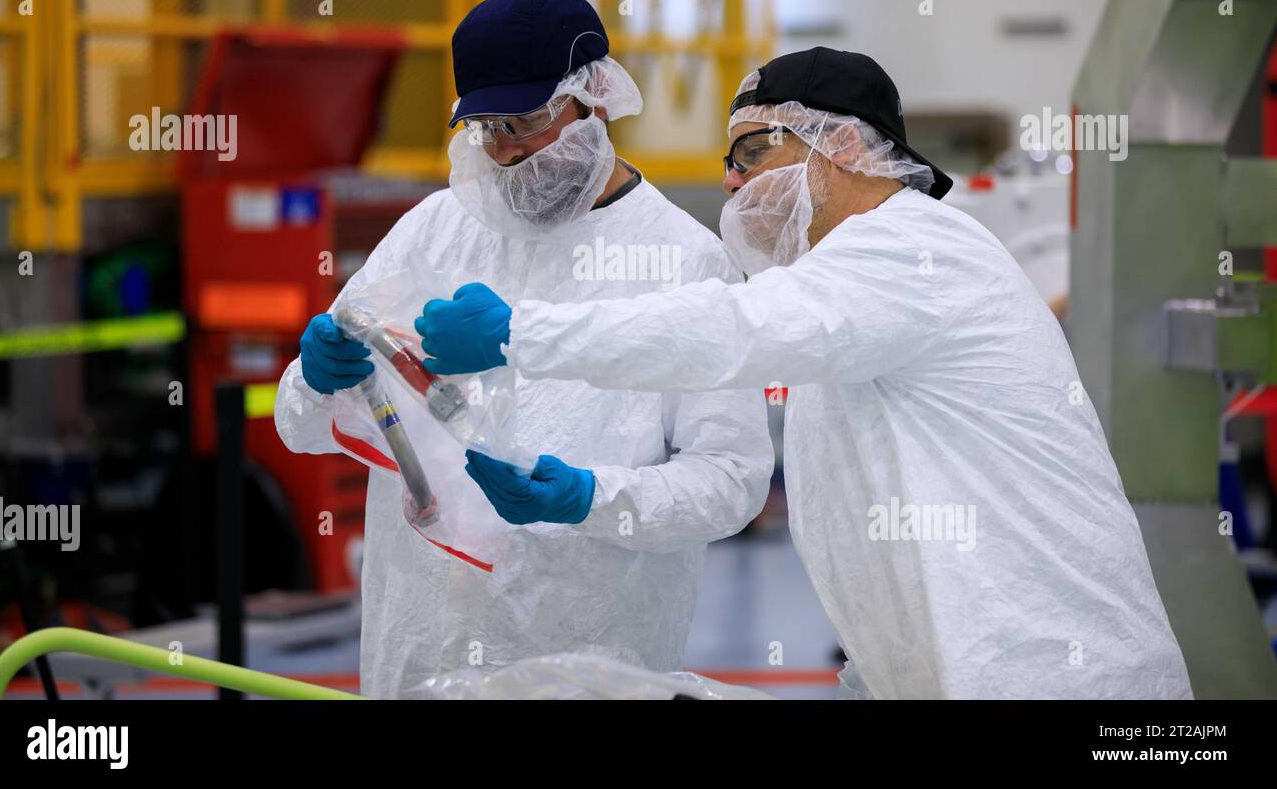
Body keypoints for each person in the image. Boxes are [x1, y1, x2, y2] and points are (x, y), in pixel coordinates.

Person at [416, 47, 1194, 699]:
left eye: (754, 151)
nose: (731, 182)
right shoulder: (848, 301)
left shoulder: (914, 248)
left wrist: (520, 332)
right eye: (729, 161)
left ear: (847, 147)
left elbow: (731, 326)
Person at [275, 0, 772, 696]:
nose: (505, 150)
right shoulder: (434, 231)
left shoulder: (684, 261)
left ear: (595, 97)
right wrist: (314, 381)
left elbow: (730, 480)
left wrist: (587, 498)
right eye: (487, 127)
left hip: (595, 656)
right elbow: (308, 429)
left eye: (527, 121)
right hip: (420, 648)